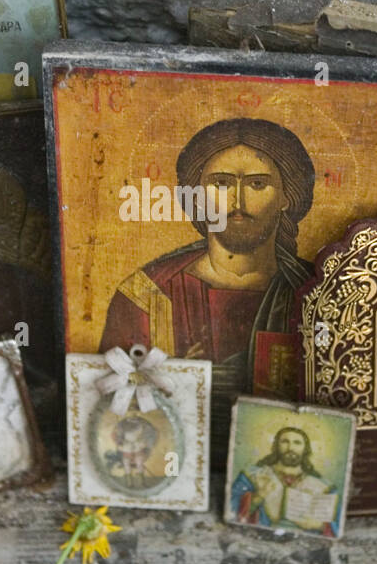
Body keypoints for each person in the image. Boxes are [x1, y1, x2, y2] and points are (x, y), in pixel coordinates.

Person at [100, 119, 315, 404]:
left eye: (258, 184)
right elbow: (113, 409)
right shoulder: (146, 296)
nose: (238, 201)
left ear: (287, 197)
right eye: (222, 184)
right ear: (197, 196)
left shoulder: (315, 289)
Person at [230, 427, 340, 536]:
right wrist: (258, 496)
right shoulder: (252, 476)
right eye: (285, 442)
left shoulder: (324, 487)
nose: (290, 447)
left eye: (297, 443)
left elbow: (337, 523)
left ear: (305, 449)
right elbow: (231, 509)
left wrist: (320, 526)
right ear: (276, 446)